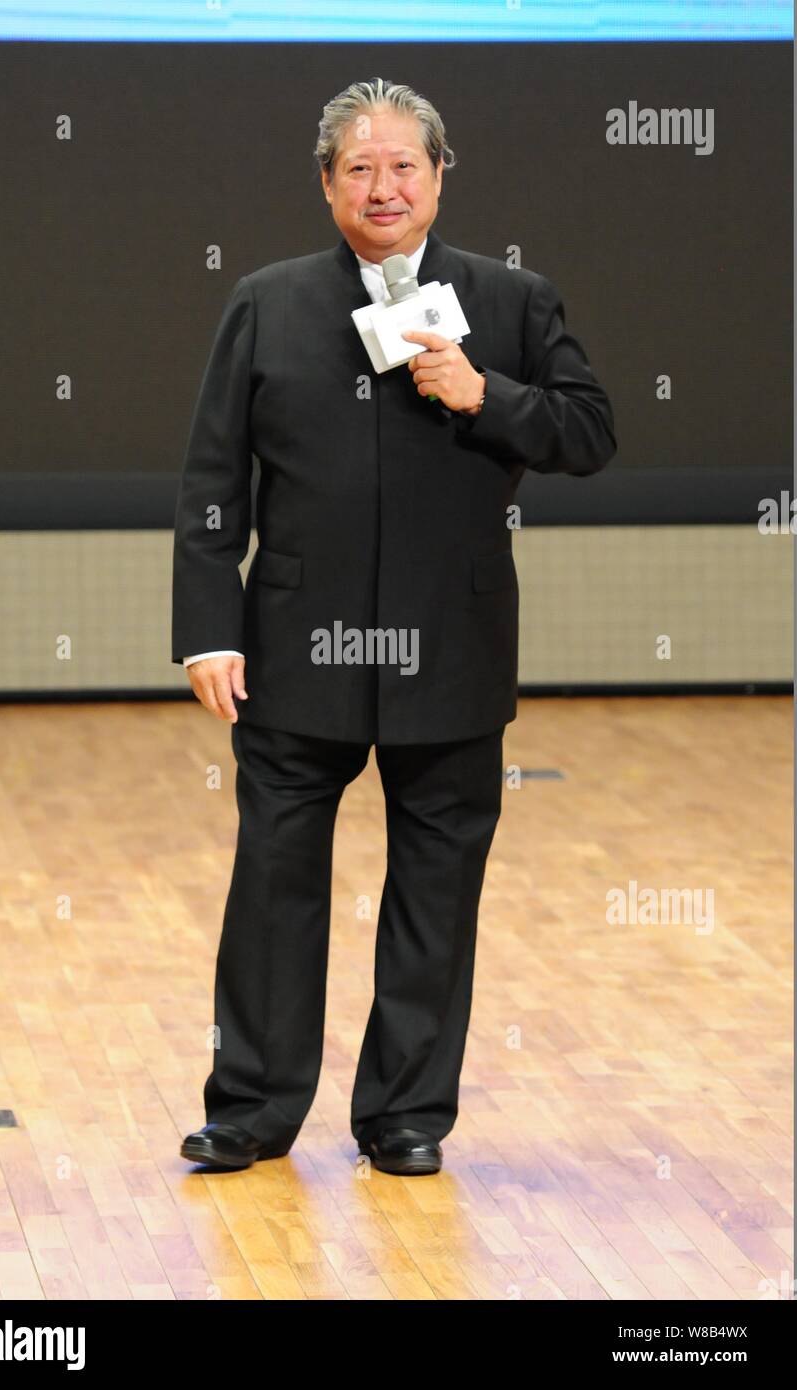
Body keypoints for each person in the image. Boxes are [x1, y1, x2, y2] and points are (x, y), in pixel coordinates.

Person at [171, 77, 616, 1176]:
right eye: (358, 167)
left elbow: (587, 431)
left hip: (450, 653)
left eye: (402, 165)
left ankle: (405, 1115)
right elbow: (212, 486)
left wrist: (487, 395)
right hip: (292, 657)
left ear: (438, 176)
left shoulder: (512, 301)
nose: (383, 185)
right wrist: (207, 630)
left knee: (435, 890)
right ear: (326, 185)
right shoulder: (265, 304)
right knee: (272, 883)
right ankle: (252, 1109)